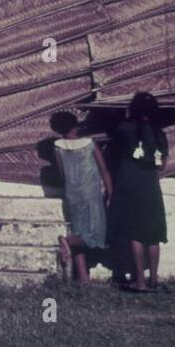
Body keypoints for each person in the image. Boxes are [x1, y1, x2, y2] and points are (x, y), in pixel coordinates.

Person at [107, 92, 168, 292]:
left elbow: (113, 153)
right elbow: (161, 166)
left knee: (135, 232)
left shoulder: (123, 129)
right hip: (150, 184)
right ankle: (154, 279)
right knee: (154, 233)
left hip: (128, 182)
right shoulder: (159, 133)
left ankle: (139, 281)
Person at [50, 110, 112, 284]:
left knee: (79, 231)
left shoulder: (58, 147)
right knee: (96, 235)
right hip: (91, 194)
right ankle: (67, 241)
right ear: (75, 125)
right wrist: (110, 191)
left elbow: (62, 175)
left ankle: (83, 277)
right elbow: (103, 169)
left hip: (72, 195)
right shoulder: (90, 144)